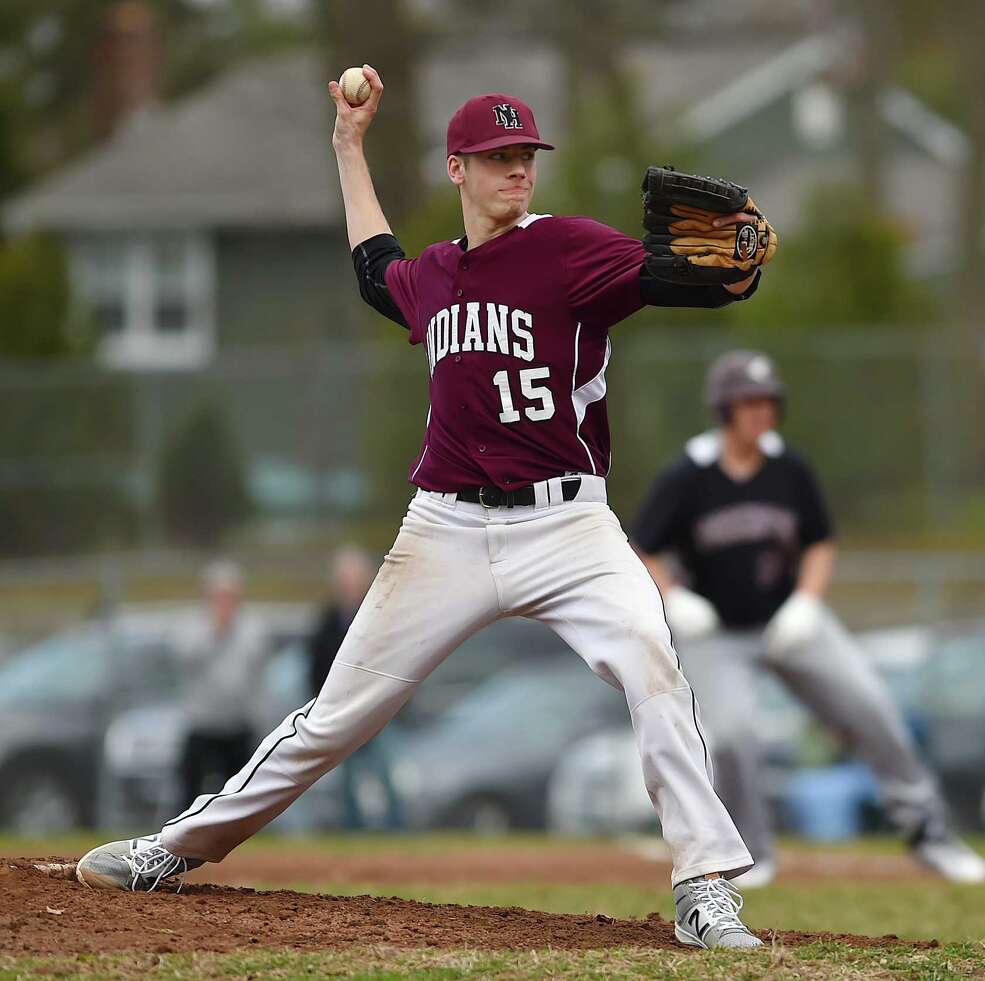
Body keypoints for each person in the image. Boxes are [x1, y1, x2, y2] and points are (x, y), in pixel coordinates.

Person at [76, 68, 775, 949]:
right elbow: (378, 270)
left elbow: (672, 276)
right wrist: (347, 144)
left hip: (569, 525)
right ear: (458, 169)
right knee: (334, 717)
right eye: (498, 158)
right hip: (443, 525)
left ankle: (705, 884)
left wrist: (726, 277)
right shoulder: (437, 274)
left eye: (525, 156)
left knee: (651, 663)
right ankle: (174, 848)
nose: (517, 171)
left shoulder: (566, 248)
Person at [632, 350, 985, 886]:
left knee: (873, 708)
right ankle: (750, 853)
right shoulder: (690, 474)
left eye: (767, 401)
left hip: (789, 621)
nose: (760, 412)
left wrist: (807, 600)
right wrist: (674, 595)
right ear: (723, 408)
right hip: (718, 632)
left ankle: (929, 833)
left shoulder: (788, 468)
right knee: (730, 736)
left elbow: (820, 542)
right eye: (747, 402)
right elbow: (644, 545)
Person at [308, 545, 401, 829]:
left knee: (385, 775)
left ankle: (396, 833)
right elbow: (316, 664)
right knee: (346, 781)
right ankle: (353, 831)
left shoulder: (379, 613)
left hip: (377, 711)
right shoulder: (327, 621)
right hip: (342, 712)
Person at [174, 561, 271, 814]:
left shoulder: (252, 627)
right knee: (190, 788)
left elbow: (255, 664)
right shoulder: (192, 625)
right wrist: (216, 630)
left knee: (240, 792)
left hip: (238, 724)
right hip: (202, 723)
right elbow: (187, 657)